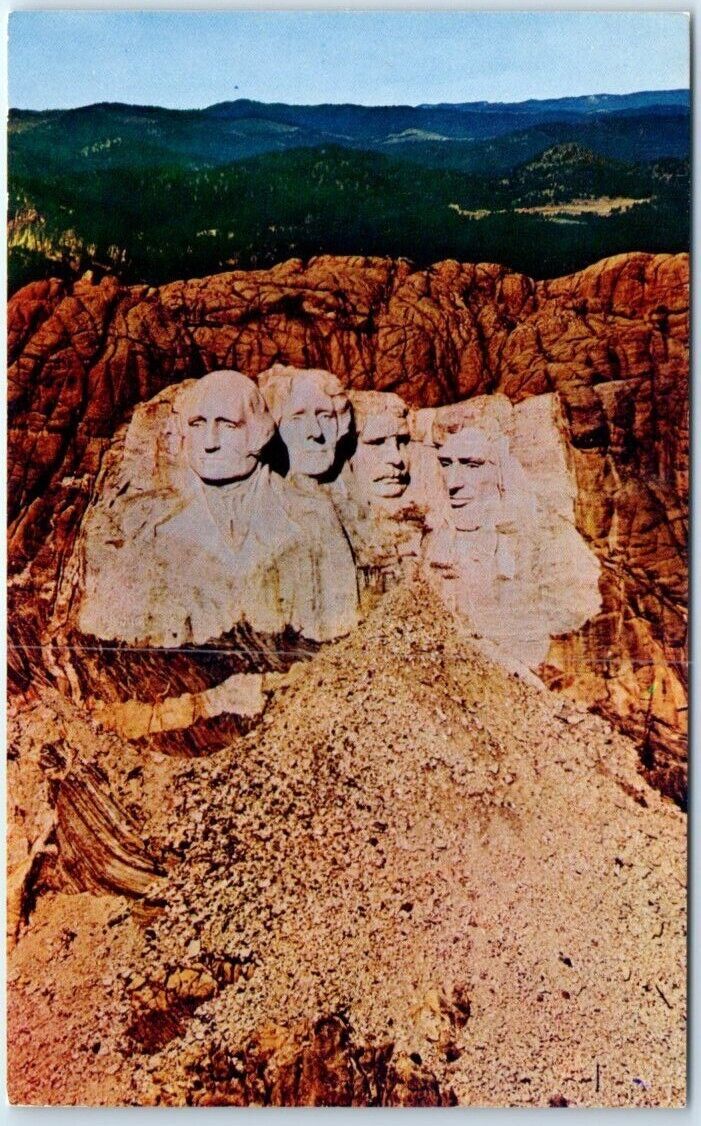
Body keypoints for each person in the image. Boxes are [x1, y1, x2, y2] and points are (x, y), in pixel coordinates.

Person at [77, 369, 359, 646]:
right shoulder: (150, 526)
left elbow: (343, 624)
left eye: (227, 425)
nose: (210, 443)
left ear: (258, 432)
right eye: (198, 424)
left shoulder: (313, 517)